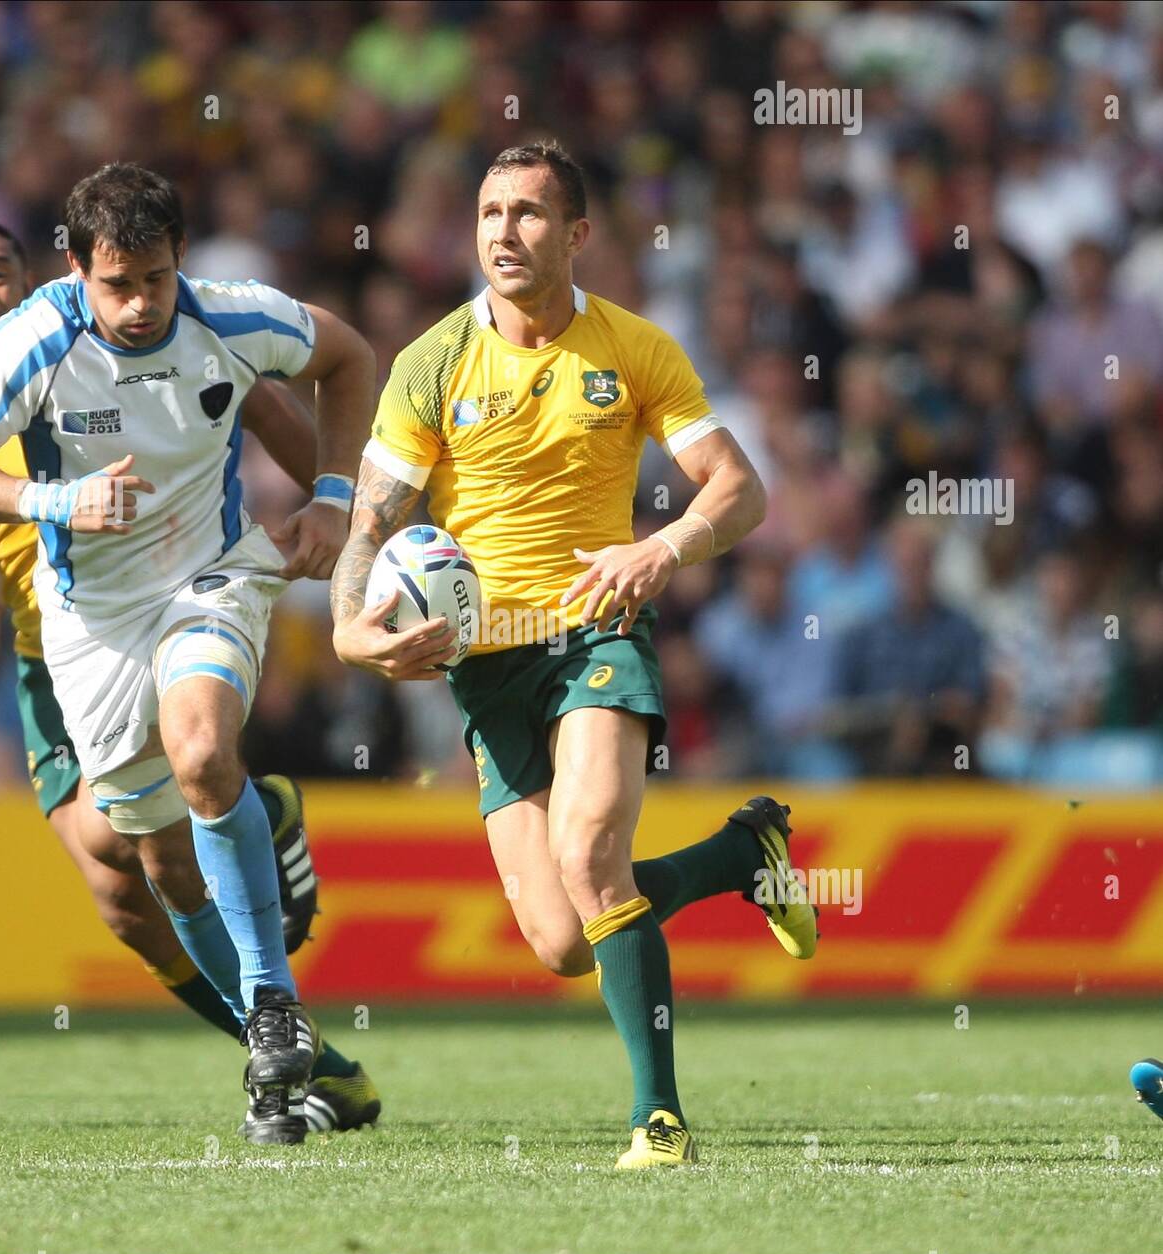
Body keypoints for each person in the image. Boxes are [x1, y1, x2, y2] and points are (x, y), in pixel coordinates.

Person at [330, 141, 817, 1169]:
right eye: (489, 212)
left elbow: (739, 488)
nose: (504, 232)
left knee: (593, 856)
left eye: (530, 214)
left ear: (577, 235)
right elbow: (369, 531)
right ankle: (743, 854)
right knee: (559, 941)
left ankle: (661, 1121)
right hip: (485, 668)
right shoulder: (429, 364)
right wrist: (348, 629)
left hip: (596, 633)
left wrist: (660, 546)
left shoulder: (633, 348)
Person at [0, 216, 379, 1132]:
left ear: (33, 279)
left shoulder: (156, 334)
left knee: (188, 779)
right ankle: (318, 1061)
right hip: (54, 654)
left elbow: (258, 398)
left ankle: (278, 1024)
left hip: (185, 597)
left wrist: (343, 514)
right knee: (122, 892)